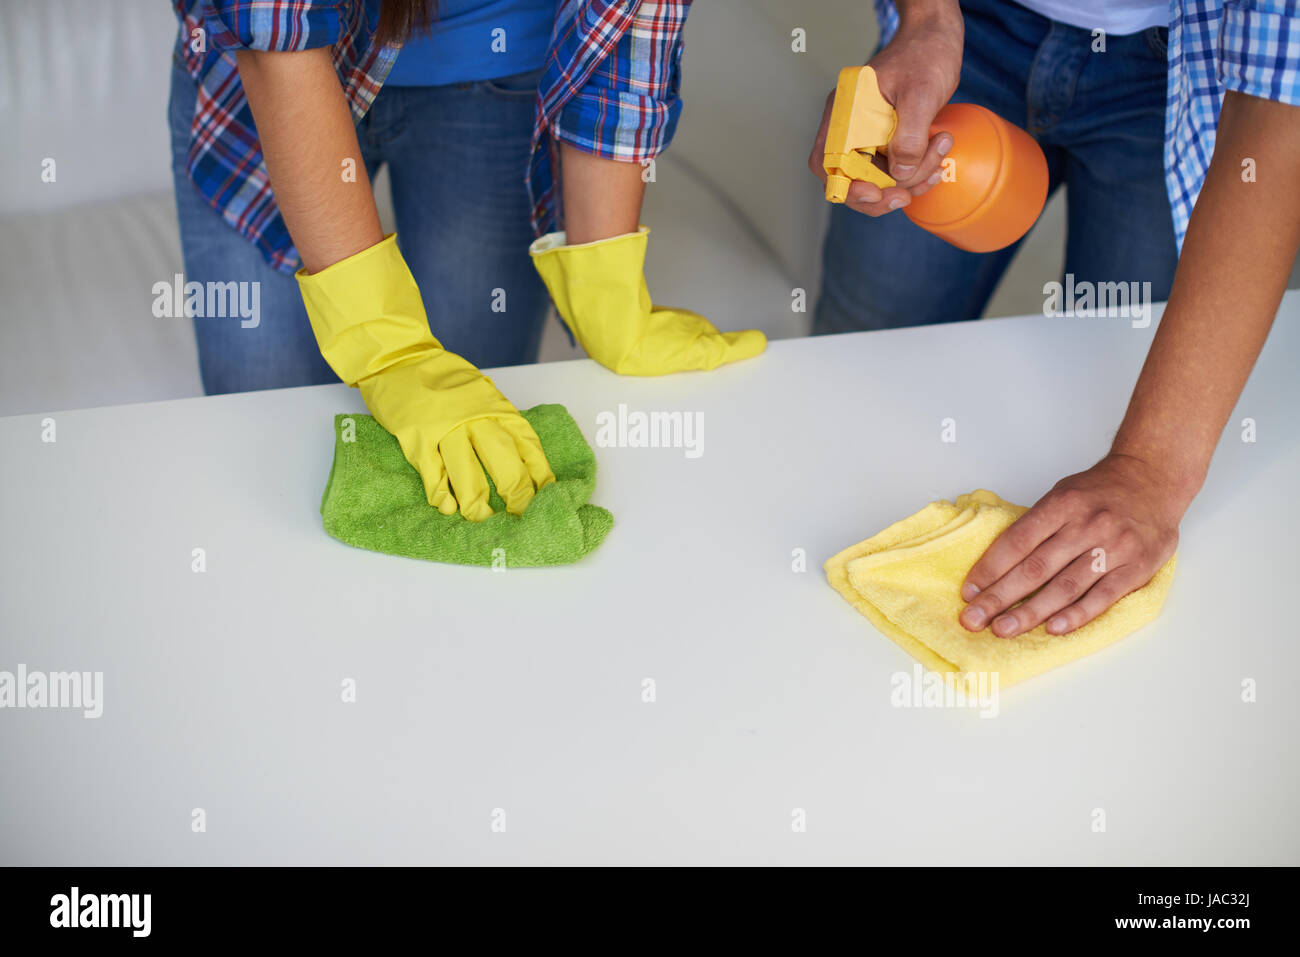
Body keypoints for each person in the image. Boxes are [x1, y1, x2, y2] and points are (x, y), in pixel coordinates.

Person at [809, 0, 1300, 635]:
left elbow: (1278, 117)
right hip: (974, 31)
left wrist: (1149, 470)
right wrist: (926, 18)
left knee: (1102, 390)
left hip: (1180, 69)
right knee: (859, 343)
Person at [170, 0, 762, 523]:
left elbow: (632, 13)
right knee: (266, 431)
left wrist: (600, 271)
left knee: (479, 443)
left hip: (499, 82)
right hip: (262, 88)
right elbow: (277, 30)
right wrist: (386, 349)